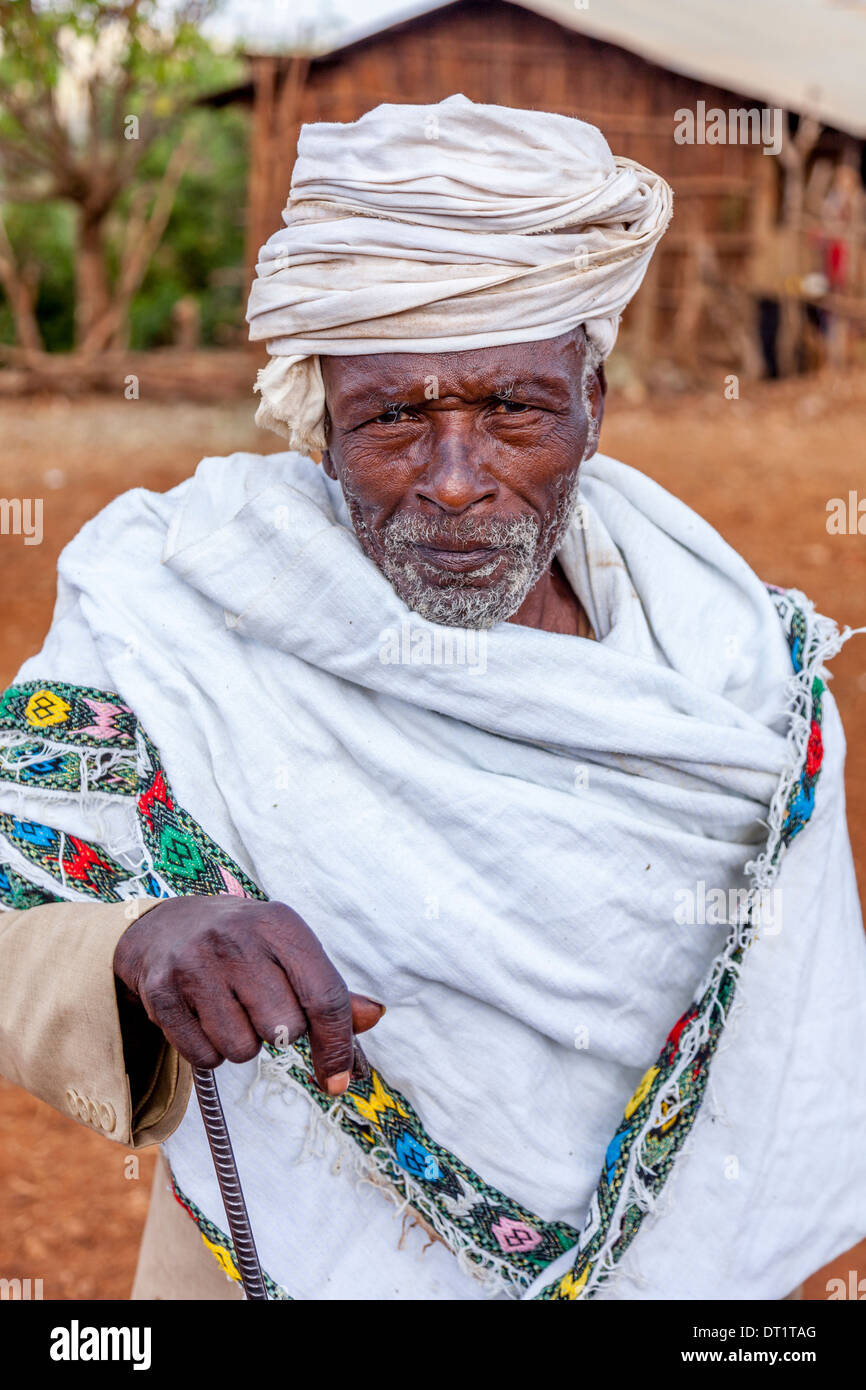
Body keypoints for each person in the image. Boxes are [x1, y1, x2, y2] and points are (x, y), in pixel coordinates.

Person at [1, 95, 864, 1302]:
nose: (455, 482)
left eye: (511, 408)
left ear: (592, 405)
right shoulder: (181, 594)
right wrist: (134, 942)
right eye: (393, 417)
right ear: (319, 423)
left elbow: (781, 1056)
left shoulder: (745, 670)